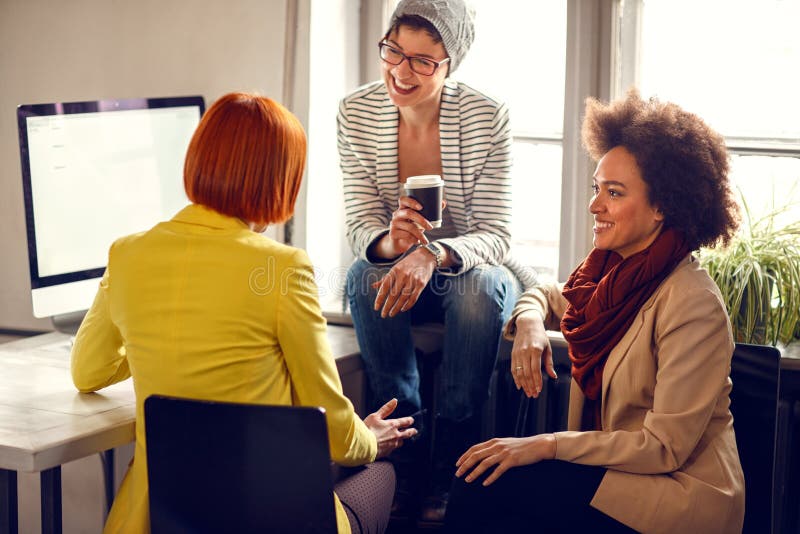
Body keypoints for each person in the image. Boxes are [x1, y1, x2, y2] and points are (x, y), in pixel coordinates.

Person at [71, 92, 417, 534]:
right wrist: (371, 439)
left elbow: (87, 371)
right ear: (281, 180)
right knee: (379, 473)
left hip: (158, 518)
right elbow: (331, 425)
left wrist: (152, 348)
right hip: (267, 516)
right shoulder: (283, 268)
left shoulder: (127, 254)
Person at [445, 90, 745, 533]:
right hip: (618, 477)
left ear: (663, 206)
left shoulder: (691, 303)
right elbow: (548, 294)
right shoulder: (610, 277)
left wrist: (547, 445)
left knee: (487, 484)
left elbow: (663, 448)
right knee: (480, 477)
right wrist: (529, 319)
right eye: (596, 188)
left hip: (677, 495)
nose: (594, 205)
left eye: (614, 193)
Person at [337, 0, 535, 523]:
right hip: (397, 270)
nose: (402, 72)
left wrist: (434, 251)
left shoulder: (486, 115)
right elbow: (359, 225)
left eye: (424, 61)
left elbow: (498, 235)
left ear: (451, 65)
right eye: (394, 52)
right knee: (362, 278)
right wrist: (389, 242)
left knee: (475, 294)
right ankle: (402, 464)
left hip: (474, 272)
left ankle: (453, 469)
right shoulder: (355, 111)